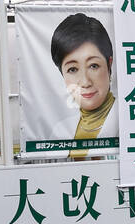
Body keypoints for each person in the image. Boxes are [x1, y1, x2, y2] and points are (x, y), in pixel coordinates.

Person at [49, 14, 118, 159]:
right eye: (72, 69)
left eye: (93, 66)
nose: (85, 82)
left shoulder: (130, 121)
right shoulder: (59, 131)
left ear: (109, 64)